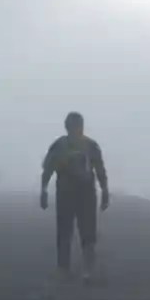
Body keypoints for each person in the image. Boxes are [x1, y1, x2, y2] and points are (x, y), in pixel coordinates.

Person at [41, 111, 109, 278]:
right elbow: (100, 170)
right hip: (79, 194)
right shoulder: (88, 145)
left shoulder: (61, 145)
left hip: (72, 193)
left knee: (73, 232)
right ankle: (80, 269)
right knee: (80, 232)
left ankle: (73, 269)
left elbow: (48, 169)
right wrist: (105, 190)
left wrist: (43, 190)